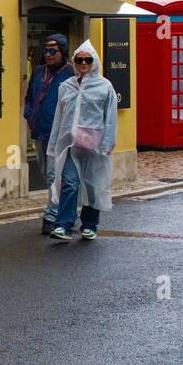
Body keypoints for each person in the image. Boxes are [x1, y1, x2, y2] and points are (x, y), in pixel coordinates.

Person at [47, 41, 118, 241]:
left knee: (92, 185)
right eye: (80, 60)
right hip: (71, 143)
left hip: (95, 145)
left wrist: (107, 145)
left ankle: (89, 224)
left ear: (94, 61)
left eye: (88, 59)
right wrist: (54, 143)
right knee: (69, 182)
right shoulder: (66, 87)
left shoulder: (105, 87)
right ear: (74, 61)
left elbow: (110, 118)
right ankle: (64, 225)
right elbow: (59, 118)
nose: (84, 63)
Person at [23, 34, 74, 235]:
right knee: (46, 173)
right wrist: (28, 113)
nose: (48, 54)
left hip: (60, 134)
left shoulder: (70, 73)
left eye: (53, 51)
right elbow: (28, 96)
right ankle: (66, 210)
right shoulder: (38, 71)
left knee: (55, 175)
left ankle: (51, 216)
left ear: (62, 52)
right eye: (46, 50)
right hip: (39, 131)